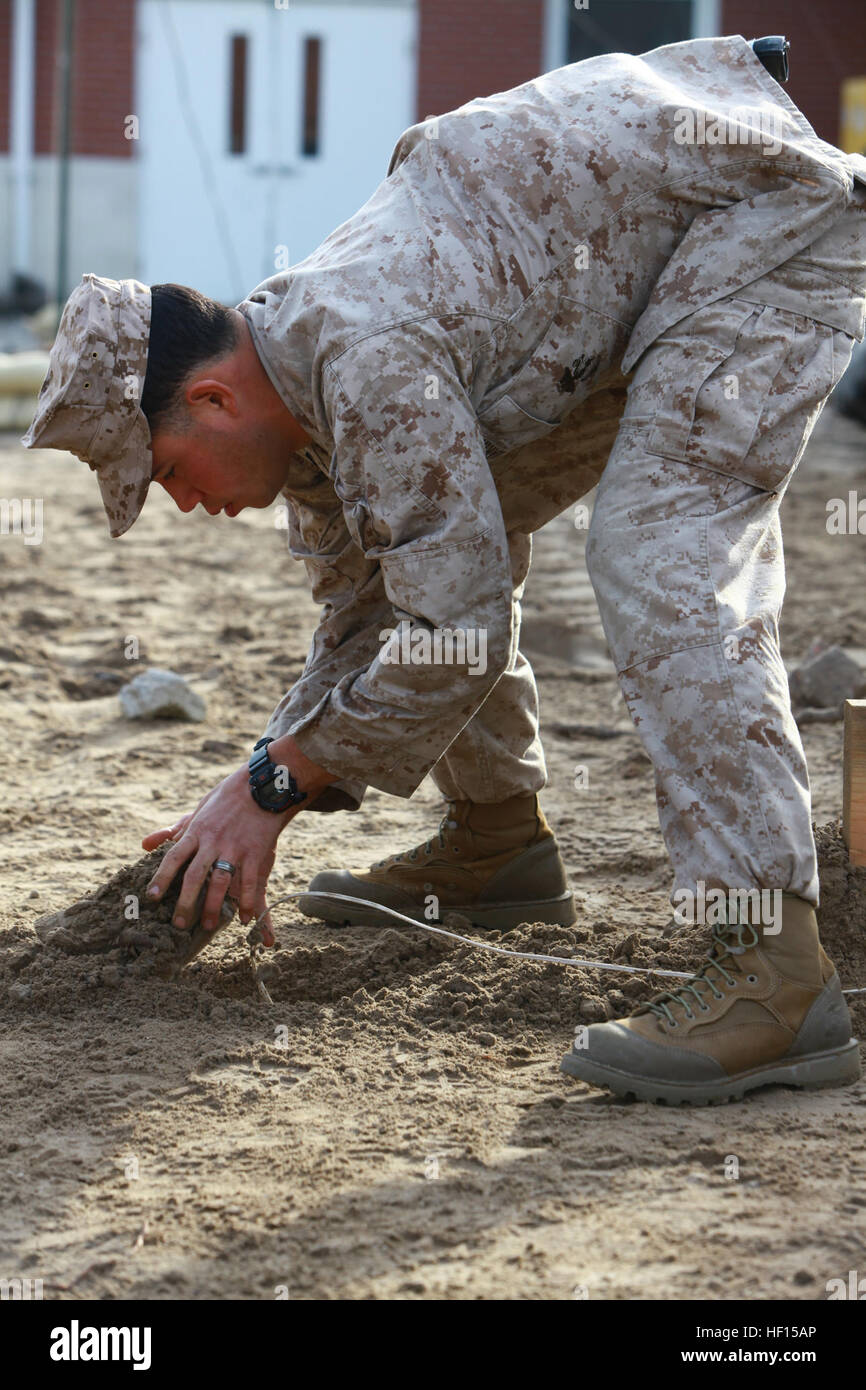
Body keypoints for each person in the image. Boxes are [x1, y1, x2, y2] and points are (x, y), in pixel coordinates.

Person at [25, 34, 866, 1104]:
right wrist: (252, 783)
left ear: (211, 400)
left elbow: (456, 633)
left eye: (172, 475)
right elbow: (369, 617)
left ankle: (772, 970)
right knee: (414, 570)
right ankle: (495, 847)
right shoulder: (305, 407)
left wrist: (273, 785)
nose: (189, 506)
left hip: (754, 220)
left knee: (656, 548)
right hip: (608, 291)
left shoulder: (361, 351)